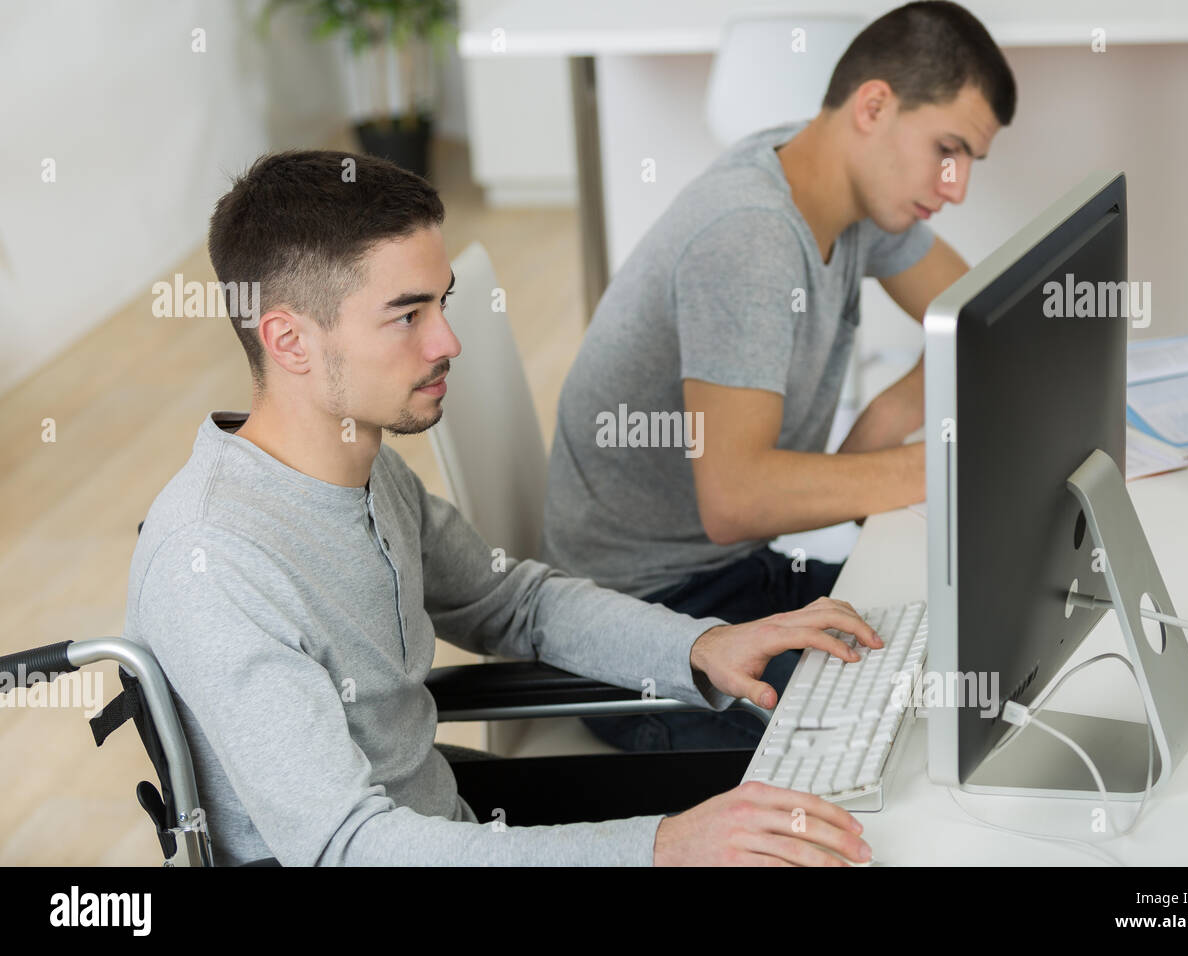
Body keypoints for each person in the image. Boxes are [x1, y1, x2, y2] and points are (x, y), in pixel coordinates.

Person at [123, 149, 881, 866]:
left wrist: (699, 647)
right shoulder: (216, 565)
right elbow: (347, 849)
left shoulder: (365, 468)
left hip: (446, 821)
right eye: (407, 315)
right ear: (289, 339)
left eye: (442, 303)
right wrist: (660, 847)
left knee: (802, 814)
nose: (448, 339)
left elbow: (514, 601)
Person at [541, 0, 1015, 752]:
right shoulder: (750, 234)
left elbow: (980, 320)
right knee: (920, 736)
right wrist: (932, 470)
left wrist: (888, 425)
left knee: (983, 641)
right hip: (649, 635)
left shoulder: (832, 180)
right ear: (874, 106)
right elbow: (737, 497)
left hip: (738, 580)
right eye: (946, 150)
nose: (954, 188)